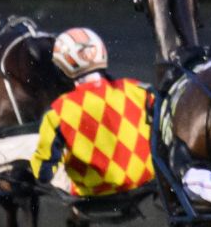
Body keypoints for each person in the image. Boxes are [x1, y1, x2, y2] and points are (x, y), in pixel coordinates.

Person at [28, 27, 155, 197]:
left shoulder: (58, 110)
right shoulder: (139, 89)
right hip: (145, 180)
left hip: (94, 193)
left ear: (63, 67)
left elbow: (44, 173)